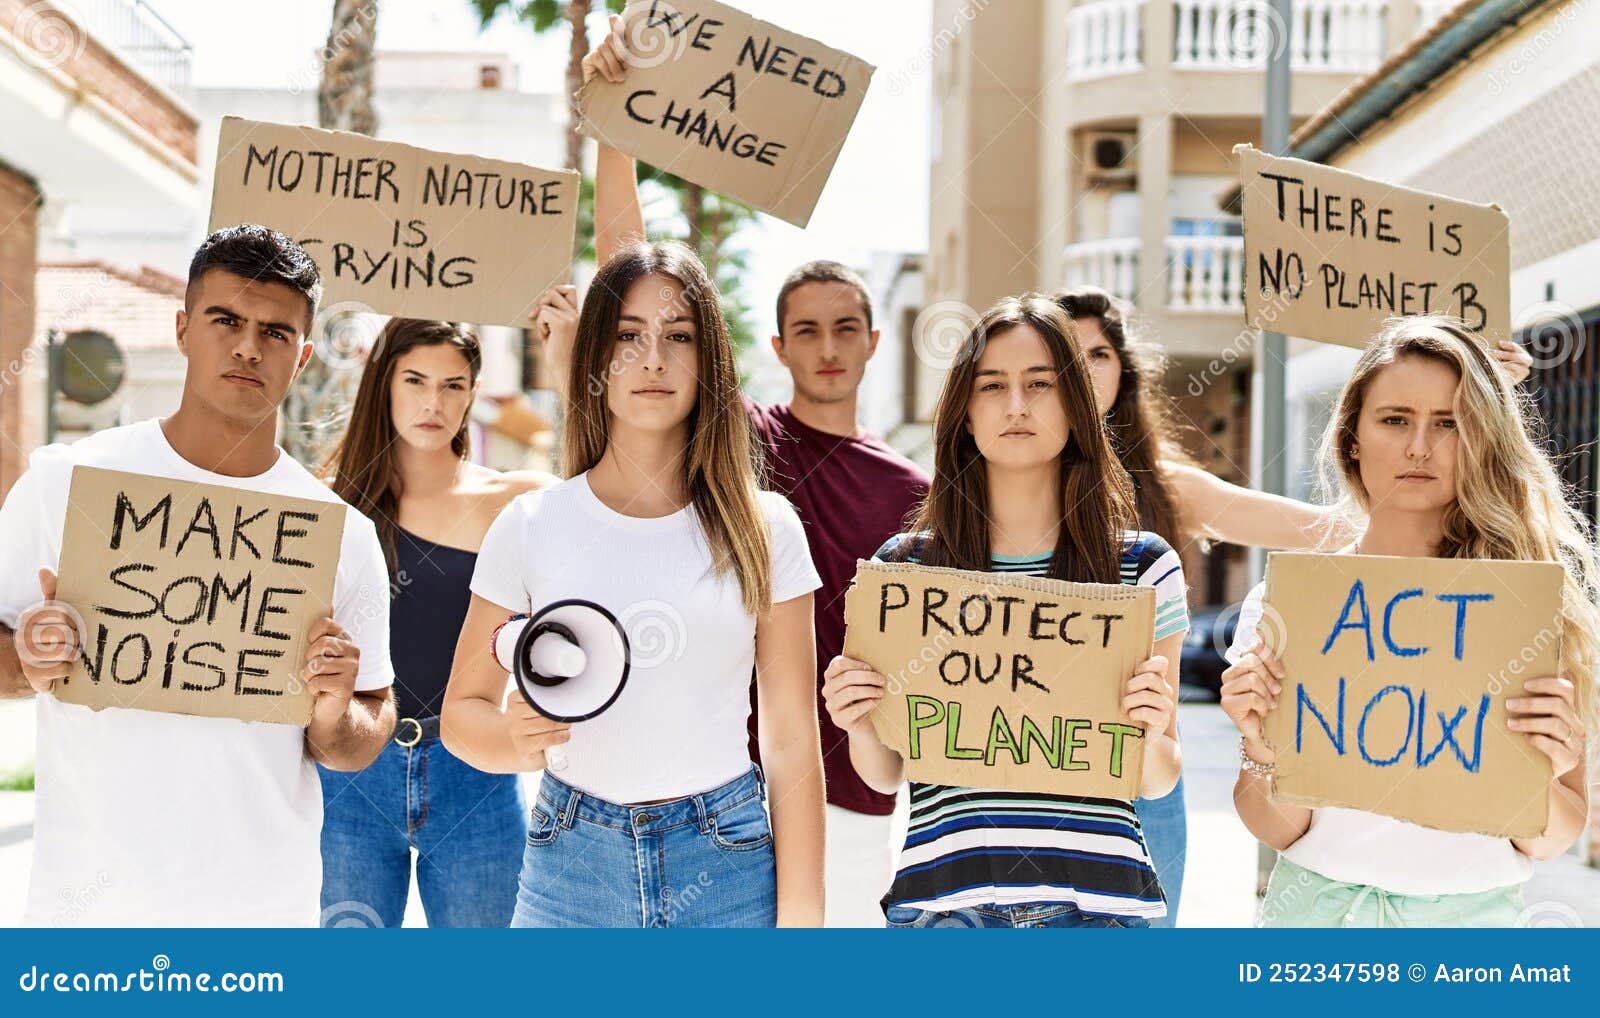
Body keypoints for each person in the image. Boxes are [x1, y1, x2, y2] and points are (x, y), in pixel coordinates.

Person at [532, 14, 930, 928]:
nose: (827, 348)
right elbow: (627, 280)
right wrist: (616, 132)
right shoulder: (740, 440)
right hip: (733, 788)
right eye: (806, 328)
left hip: (857, 783)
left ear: (874, 343)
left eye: (846, 328)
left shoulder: (911, 490)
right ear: (773, 346)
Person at [1053, 284, 1536, 926]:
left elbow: (1340, 529)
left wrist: (1472, 404)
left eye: (1097, 354)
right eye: (1057, 357)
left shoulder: (1166, 486)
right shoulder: (982, 490)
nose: (1079, 373)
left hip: (1138, 757)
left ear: (1125, 370)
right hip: (1011, 753)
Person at [0, 225, 395, 926]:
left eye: (275, 333)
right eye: (226, 320)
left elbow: (367, 724)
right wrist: (27, 660)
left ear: (302, 356)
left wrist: (334, 713)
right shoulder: (66, 482)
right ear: (184, 329)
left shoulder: (341, 535)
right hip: (85, 917)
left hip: (259, 917)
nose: (248, 346)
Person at [441, 240, 827, 927]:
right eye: (627, 336)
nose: (653, 359)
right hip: (570, 864)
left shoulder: (767, 526)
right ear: (593, 359)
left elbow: (792, 739)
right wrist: (513, 739)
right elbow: (461, 715)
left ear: (710, 360)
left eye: (678, 336)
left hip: (727, 858)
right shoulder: (532, 522)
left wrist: (803, 921)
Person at [822, 294, 1189, 928]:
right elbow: (884, 774)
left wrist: (1153, 727)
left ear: (1077, 406)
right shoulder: (905, 571)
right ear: (964, 413)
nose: (1016, 405)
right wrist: (855, 717)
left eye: (1040, 384)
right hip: (947, 910)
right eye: (992, 385)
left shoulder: (1144, 567)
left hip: (1096, 913)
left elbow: (1155, 780)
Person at [1220, 313, 1597, 928]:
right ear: (1352, 438)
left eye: (1449, 424)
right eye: (1395, 420)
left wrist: (1547, 771)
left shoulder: (1528, 606)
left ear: (1481, 440)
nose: (1420, 446)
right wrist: (1262, 747)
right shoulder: (1289, 604)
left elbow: (1552, 839)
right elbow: (1278, 830)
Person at [317, 318, 557, 927]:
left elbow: (606, 490)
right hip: (351, 768)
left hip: (474, 769)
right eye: (415, 380)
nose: (433, 402)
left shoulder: (515, 500)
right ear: (384, 384)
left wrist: (568, 355)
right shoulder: (328, 505)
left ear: (474, 393)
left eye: (454, 385)